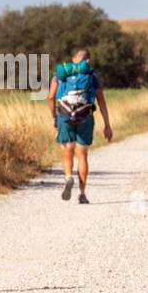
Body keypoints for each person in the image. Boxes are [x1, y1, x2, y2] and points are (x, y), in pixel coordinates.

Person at [48, 49, 112, 204]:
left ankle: (68, 177)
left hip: (64, 116)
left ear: (72, 60)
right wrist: (107, 125)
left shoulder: (60, 74)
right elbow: (101, 101)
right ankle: (82, 194)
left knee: (67, 150)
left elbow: (50, 97)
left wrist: (53, 117)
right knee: (82, 154)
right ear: (87, 61)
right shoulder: (92, 75)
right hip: (85, 116)